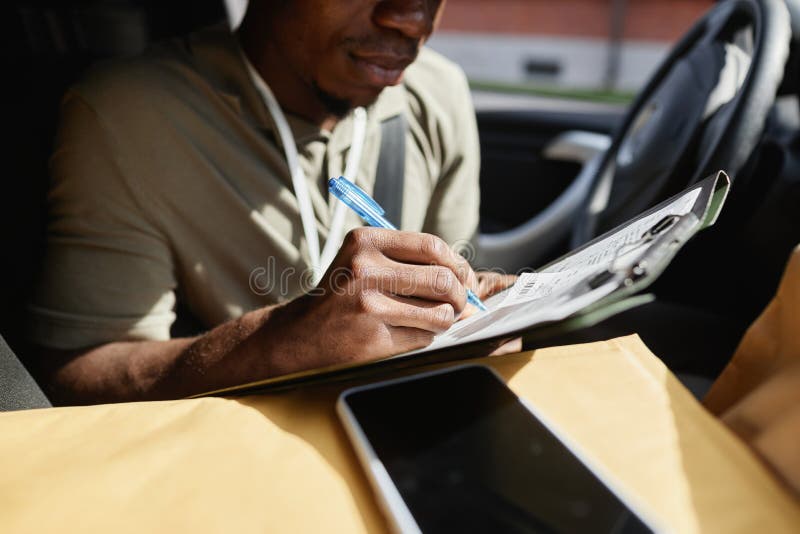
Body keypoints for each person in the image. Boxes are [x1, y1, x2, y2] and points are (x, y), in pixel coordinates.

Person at [28, 0, 514, 404]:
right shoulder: (129, 114)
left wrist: (485, 322)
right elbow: (76, 374)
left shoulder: (438, 93)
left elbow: (453, 301)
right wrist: (285, 340)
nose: (413, 19)